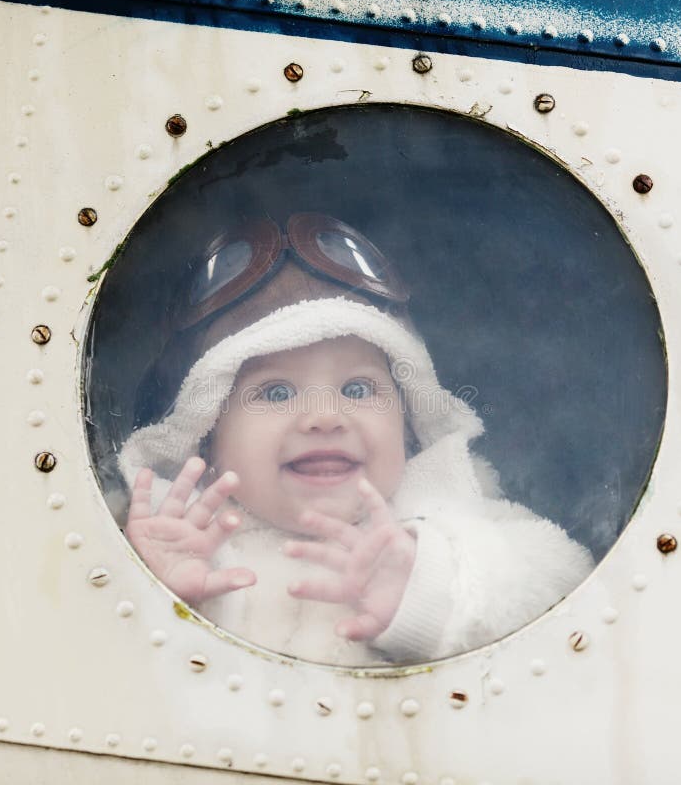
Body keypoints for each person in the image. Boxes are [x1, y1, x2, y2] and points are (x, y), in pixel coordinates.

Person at [119, 213, 594, 665]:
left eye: (358, 389)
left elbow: (569, 585)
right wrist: (151, 590)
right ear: (205, 438)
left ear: (408, 426)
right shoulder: (174, 538)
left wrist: (426, 591)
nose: (325, 418)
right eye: (276, 392)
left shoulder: (458, 521)